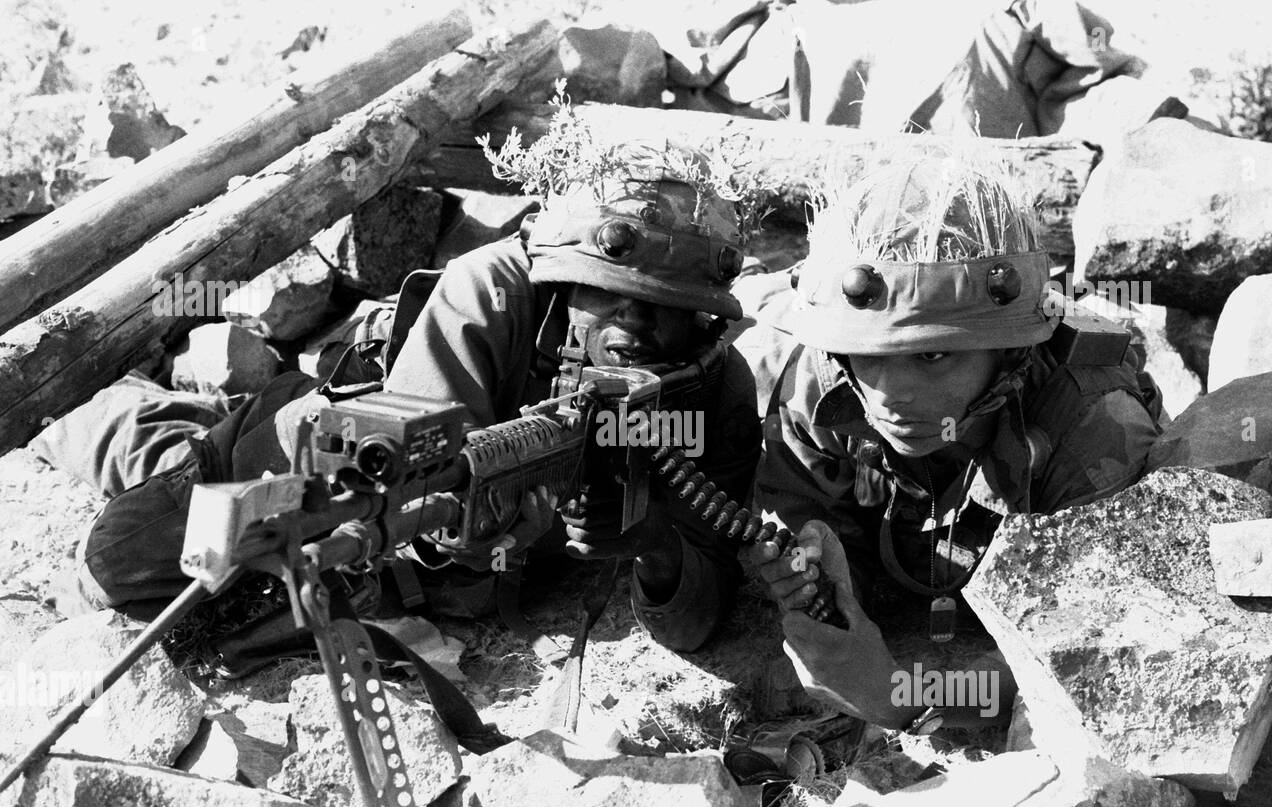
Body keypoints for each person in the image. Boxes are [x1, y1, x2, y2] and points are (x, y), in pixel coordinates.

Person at [37, 135, 762, 655]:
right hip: (322, 458)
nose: (635, 319)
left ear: (704, 312)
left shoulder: (712, 384)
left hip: (413, 537)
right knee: (118, 560)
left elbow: (704, 602)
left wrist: (657, 550)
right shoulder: (491, 293)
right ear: (563, 276)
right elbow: (416, 510)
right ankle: (57, 384)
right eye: (608, 295)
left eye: (663, 303)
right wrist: (490, 528)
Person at [736, 140, 1163, 729]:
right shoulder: (823, 375)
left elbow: (1079, 644)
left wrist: (906, 695)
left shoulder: (1093, 426)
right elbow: (805, 500)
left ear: (1009, 351)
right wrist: (825, 575)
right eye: (871, 355)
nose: (890, 392)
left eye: (933, 355)